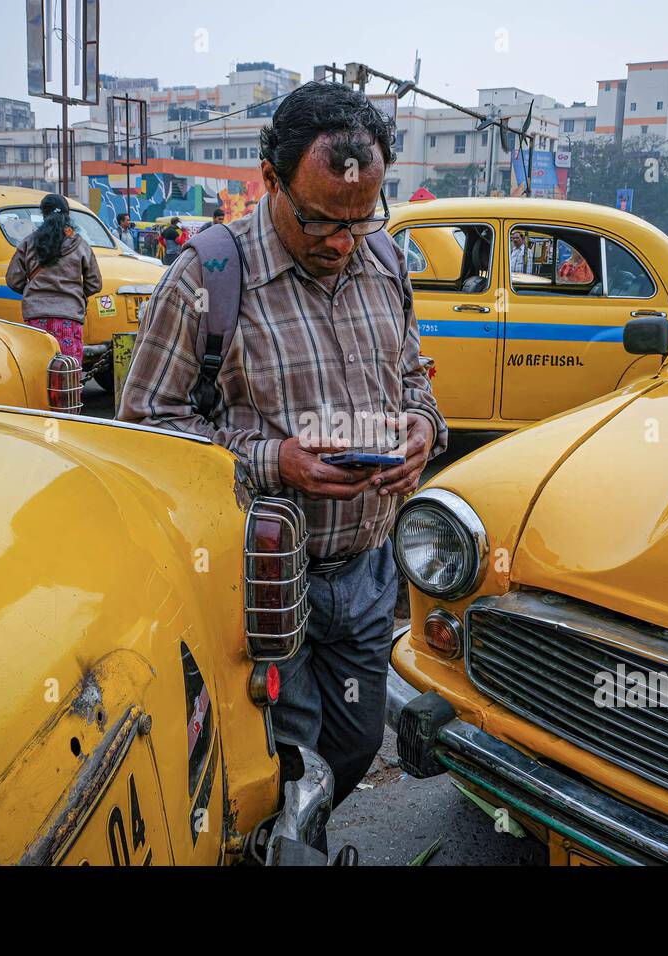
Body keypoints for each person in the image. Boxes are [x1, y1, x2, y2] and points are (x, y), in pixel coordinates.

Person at [119, 81, 447, 810]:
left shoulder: (386, 265)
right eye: (323, 220)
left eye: (362, 220)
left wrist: (425, 428)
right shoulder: (207, 279)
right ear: (270, 180)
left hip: (365, 577)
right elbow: (146, 429)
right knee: (286, 765)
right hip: (264, 585)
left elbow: (411, 382)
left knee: (358, 741)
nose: (343, 242)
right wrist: (278, 462)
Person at [5, 193, 102, 365]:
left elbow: (14, 280)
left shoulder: (28, 243)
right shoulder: (80, 244)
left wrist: (32, 289)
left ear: (43, 215)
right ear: (67, 215)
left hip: (36, 315)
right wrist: (75, 293)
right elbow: (95, 283)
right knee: (68, 372)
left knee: (38, 369)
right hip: (69, 317)